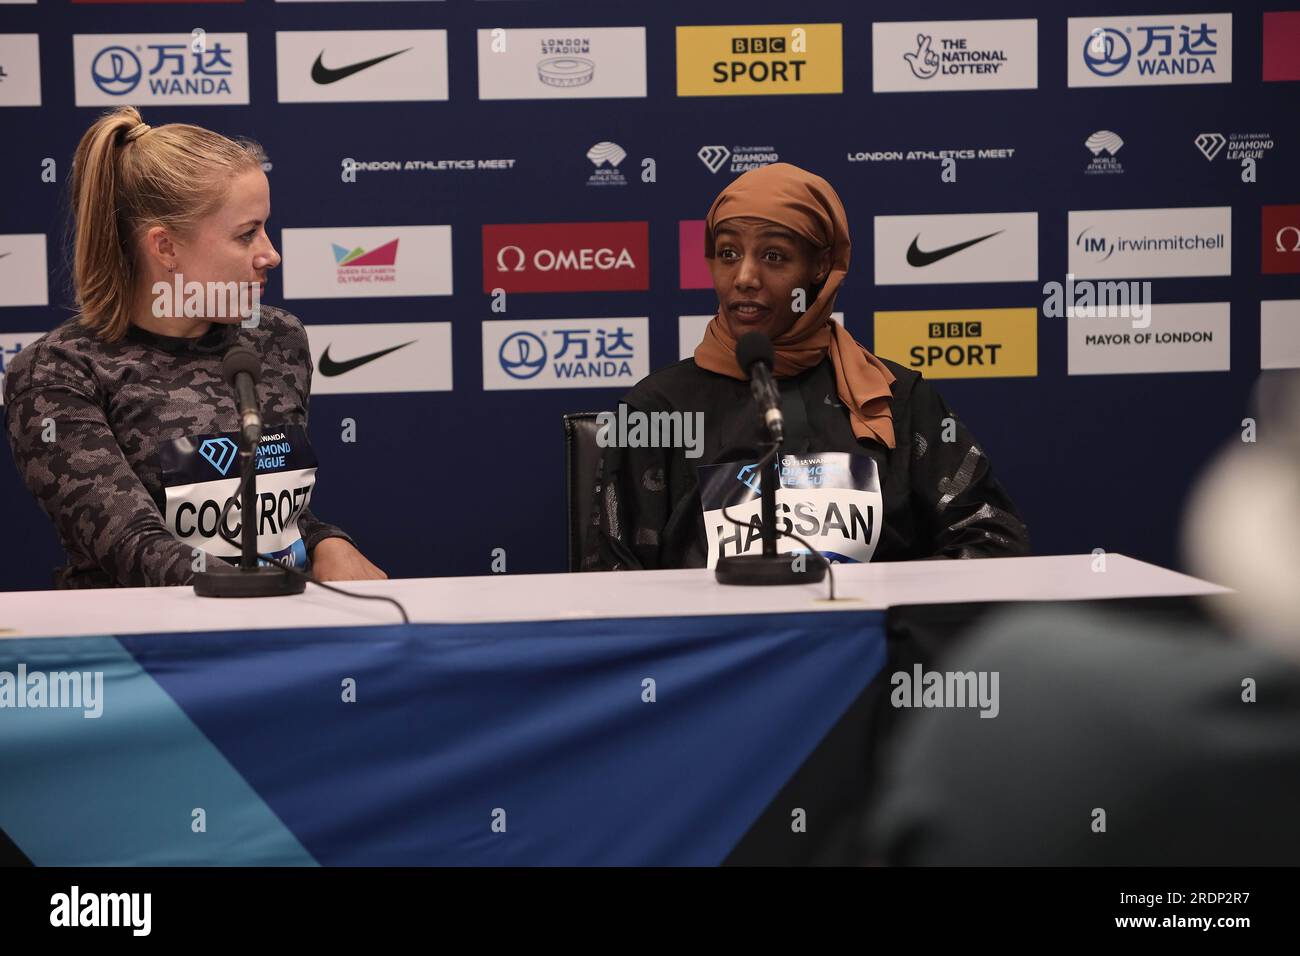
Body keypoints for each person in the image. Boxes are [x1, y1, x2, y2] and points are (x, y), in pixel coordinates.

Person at [3, 106, 386, 588]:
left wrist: (326, 541)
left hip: (289, 636)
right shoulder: (59, 373)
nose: (271, 254)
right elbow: (138, 549)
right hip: (148, 651)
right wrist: (279, 599)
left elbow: (266, 511)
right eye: (246, 234)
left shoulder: (275, 340)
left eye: (264, 228)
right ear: (165, 247)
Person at [582, 162, 1029, 571]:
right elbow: (611, 578)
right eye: (728, 253)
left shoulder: (894, 396)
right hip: (718, 650)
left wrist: (885, 602)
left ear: (820, 266)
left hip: (872, 646)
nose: (744, 277)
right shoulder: (657, 408)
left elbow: (992, 538)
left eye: (773, 256)